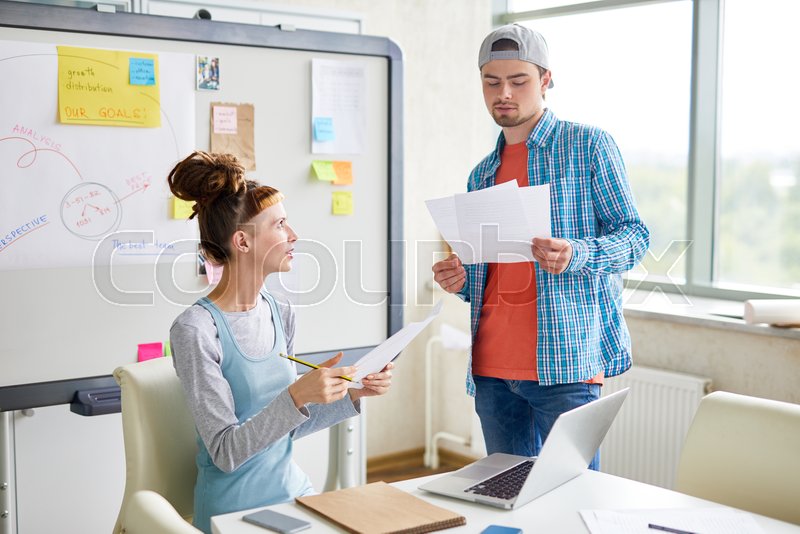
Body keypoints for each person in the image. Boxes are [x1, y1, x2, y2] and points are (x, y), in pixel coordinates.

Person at [432, 24, 649, 469]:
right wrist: (460, 279)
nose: (504, 93)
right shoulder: (482, 172)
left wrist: (576, 254)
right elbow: (489, 278)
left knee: (571, 499)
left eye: (519, 81)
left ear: (546, 79)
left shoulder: (588, 146)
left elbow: (634, 237)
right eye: (492, 82)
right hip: (492, 371)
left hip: (564, 365)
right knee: (509, 500)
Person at [168, 151, 393, 533]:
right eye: (281, 225)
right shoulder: (196, 330)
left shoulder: (280, 310)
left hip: (292, 496)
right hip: (234, 515)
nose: (294, 236)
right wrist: (297, 395)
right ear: (242, 242)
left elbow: (283, 428)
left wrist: (351, 394)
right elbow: (226, 452)